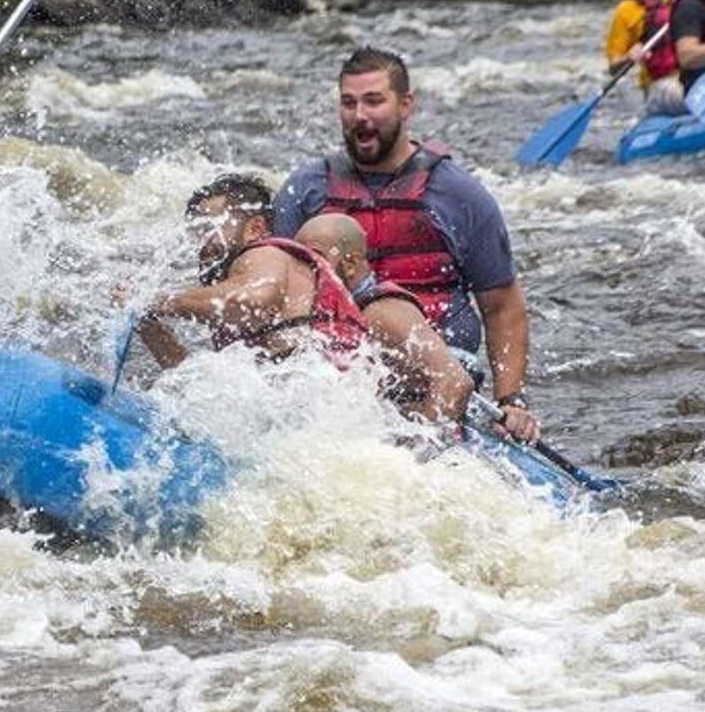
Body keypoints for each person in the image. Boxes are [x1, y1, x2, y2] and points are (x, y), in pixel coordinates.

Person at [270, 46, 541, 443]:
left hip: (440, 372)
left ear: (405, 104)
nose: (360, 116)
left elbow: (502, 306)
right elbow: (275, 290)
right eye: (349, 103)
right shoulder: (304, 190)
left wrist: (511, 400)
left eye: (374, 101)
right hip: (339, 374)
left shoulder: (460, 194)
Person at [134, 173, 371, 373]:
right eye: (194, 233)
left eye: (207, 228)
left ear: (255, 228)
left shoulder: (265, 253)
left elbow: (255, 301)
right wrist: (145, 322)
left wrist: (160, 301)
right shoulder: (247, 282)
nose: (200, 244)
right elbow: (197, 383)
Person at [293, 213, 473, 424]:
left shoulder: (382, 310)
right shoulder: (329, 313)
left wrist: (419, 451)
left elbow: (455, 381)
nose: (305, 272)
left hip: (417, 440)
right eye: (300, 261)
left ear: (350, 263)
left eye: (316, 258)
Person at [603, 0, 688, 115]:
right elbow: (613, 67)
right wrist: (628, 58)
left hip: (699, 80)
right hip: (660, 87)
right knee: (680, 92)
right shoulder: (628, 9)